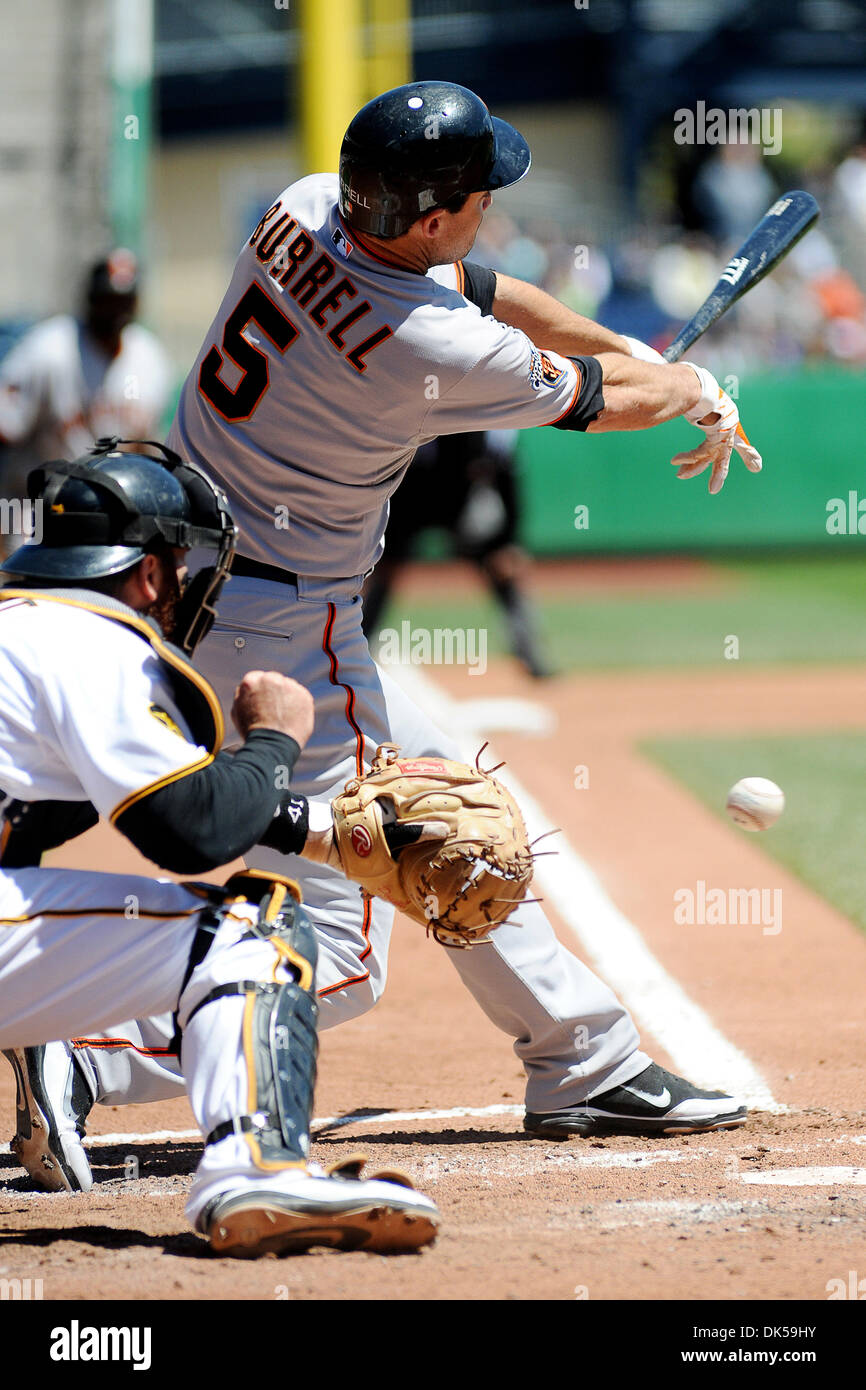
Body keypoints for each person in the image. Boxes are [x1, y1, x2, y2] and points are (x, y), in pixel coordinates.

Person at [7, 81, 761, 1192]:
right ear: (427, 215)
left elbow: (496, 296)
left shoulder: (307, 203)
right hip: (285, 622)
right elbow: (595, 395)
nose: (488, 210)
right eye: (474, 196)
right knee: (350, 941)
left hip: (173, 584)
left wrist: (633, 353)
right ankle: (91, 1064)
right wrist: (696, 387)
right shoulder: (431, 348)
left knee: (423, 811)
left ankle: (581, 1059)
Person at [0, 439, 438, 1254]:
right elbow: (188, 833)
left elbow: (151, 803)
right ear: (149, 575)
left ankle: (79, 1058)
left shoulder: (24, 632)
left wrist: (322, 833)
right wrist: (273, 743)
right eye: (184, 563)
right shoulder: (91, 642)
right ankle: (258, 1170)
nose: (194, 587)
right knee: (256, 926)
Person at [0, 250, 172, 544]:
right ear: (89, 300)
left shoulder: (150, 360)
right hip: (36, 515)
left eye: (124, 300)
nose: (116, 310)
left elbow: (149, 457)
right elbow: (4, 432)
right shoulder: (47, 351)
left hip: (111, 520)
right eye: (107, 299)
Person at [361, 429, 552, 678]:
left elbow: (506, 472)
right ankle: (357, 648)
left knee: (502, 569)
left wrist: (508, 541)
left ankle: (531, 657)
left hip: (464, 497)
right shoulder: (414, 406)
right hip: (412, 496)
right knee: (385, 572)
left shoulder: (493, 419)